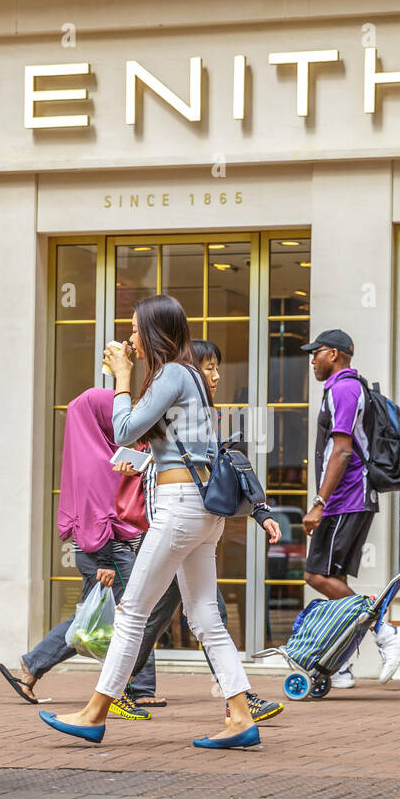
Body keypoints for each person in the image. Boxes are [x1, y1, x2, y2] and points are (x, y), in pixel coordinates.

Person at [40, 294, 260, 749]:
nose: (131, 337)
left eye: (137, 329)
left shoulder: (173, 373)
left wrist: (121, 380)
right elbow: (176, 447)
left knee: (131, 613)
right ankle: (240, 716)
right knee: (205, 616)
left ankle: (94, 712)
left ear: (156, 332)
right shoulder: (187, 377)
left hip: (180, 509)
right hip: (198, 511)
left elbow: (124, 430)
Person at [118, 339, 284, 724]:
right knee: (152, 614)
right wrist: (141, 465)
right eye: (208, 367)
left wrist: (259, 511)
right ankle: (116, 693)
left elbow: (225, 467)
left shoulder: (205, 414)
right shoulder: (169, 402)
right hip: (171, 524)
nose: (215, 375)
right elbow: (153, 453)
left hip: (189, 524)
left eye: (215, 367)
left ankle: (235, 703)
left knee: (176, 616)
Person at [0, 387, 159, 717]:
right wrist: (107, 561)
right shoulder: (99, 462)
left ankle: (32, 667)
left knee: (89, 620)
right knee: (135, 612)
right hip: (107, 550)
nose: (117, 419)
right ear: (98, 417)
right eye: (110, 413)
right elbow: (97, 514)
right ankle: (140, 688)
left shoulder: (99, 454)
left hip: (99, 548)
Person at [300, 329, 400, 689]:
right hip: (350, 499)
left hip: (345, 499)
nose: (312, 359)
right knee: (336, 581)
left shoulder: (342, 389)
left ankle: (384, 630)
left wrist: (319, 502)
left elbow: (342, 451)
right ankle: (342, 662)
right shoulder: (347, 387)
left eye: (316, 353)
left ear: (333, 354)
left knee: (316, 576)